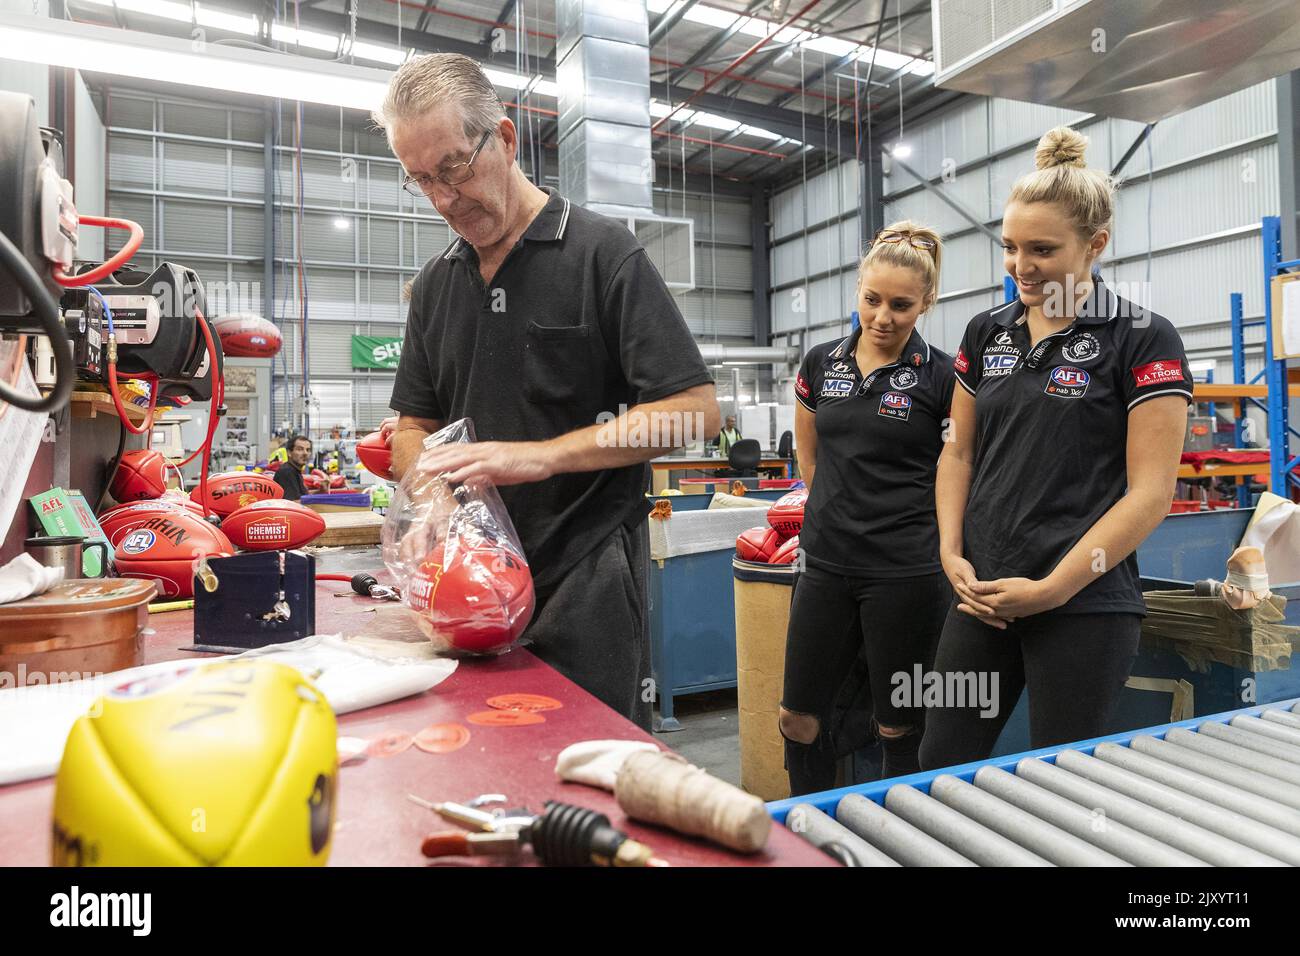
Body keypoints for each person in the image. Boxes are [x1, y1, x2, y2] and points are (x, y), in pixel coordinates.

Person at [375, 54, 720, 729]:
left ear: (504, 140)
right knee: (478, 762)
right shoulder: (437, 284)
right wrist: (435, 494)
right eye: (421, 180)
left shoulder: (601, 254)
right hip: (462, 581)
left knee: (588, 773)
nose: (444, 200)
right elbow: (411, 424)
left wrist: (542, 456)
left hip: (583, 583)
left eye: (453, 169)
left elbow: (691, 414)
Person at [919, 127, 1192, 770]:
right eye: (1010, 247)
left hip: (1084, 605)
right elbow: (957, 452)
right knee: (938, 767)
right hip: (980, 595)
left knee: (1063, 785)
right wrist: (949, 550)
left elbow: (1151, 492)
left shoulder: (1141, 338)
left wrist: (1052, 589)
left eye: (1042, 249)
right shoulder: (987, 332)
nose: (1021, 266)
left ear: (1095, 244)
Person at [779, 221, 955, 795]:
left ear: (926, 302)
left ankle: (899, 833)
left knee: (897, 723)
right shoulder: (820, 363)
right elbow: (811, 459)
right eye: (871, 300)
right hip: (824, 565)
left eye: (901, 306)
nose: (882, 317)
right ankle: (802, 831)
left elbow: (959, 470)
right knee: (797, 718)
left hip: (906, 572)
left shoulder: (944, 375)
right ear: (857, 290)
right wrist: (835, 515)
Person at [273, 434, 312, 502]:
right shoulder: (287, 472)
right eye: (300, 449)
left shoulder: (295, 470)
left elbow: (303, 497)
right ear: (289, 453)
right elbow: (293, 503)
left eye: (308, 450)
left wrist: (321, 491)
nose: (305, 453)